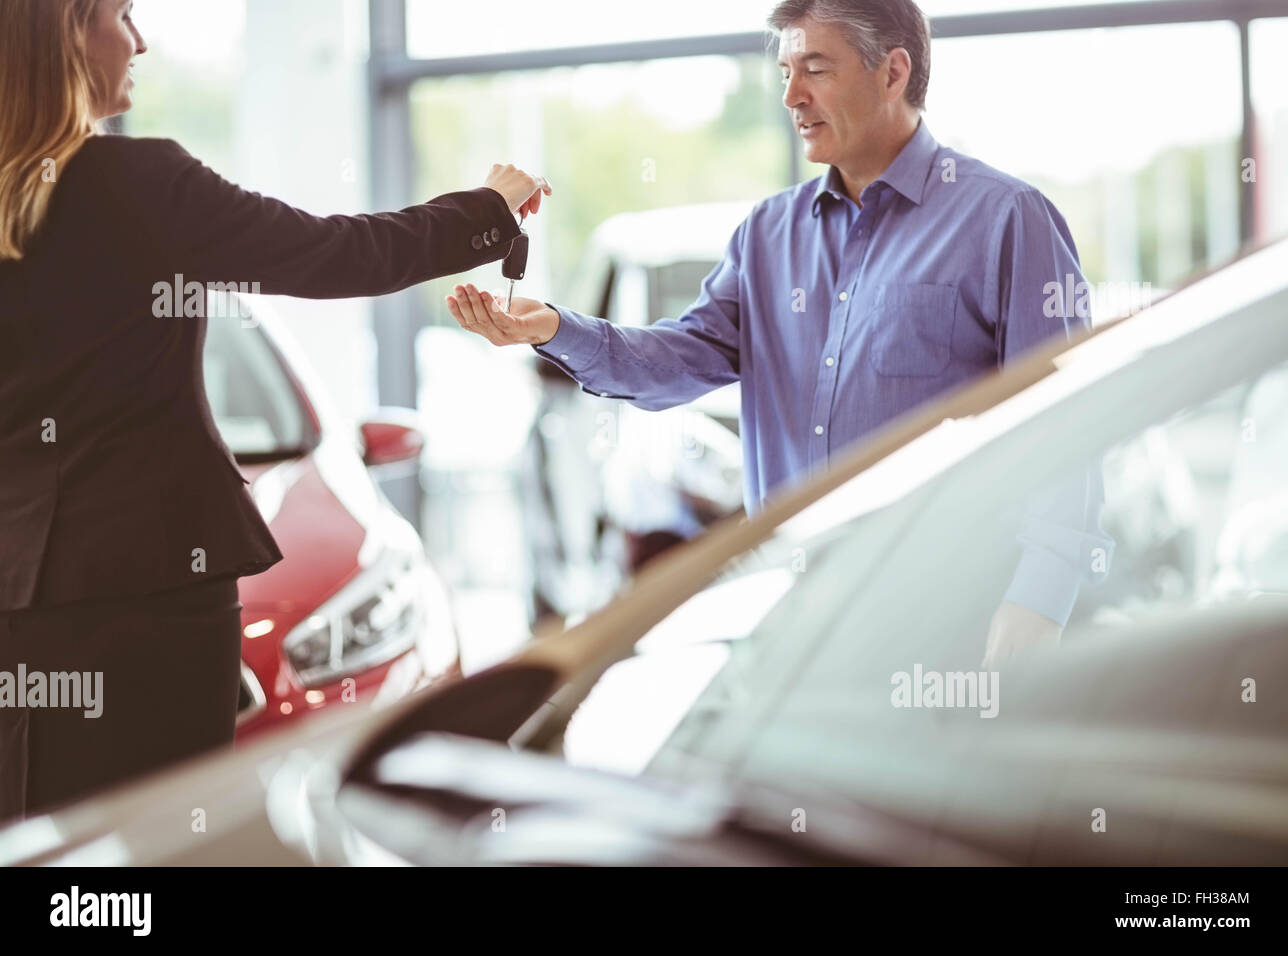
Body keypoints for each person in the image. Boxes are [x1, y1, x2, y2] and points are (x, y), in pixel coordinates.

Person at [0, 0, 550, 822]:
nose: (141, 39)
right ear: (70, 35)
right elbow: (335, 250)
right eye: (122, 15)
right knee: (164, 831)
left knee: (43, 828)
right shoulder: (136, 180)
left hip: (20, 598)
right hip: (152, 588)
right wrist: (487, 212)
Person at [447, 0, 1112, 664]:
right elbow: (675, 361)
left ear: (894, 72)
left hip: (948, 628)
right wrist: (557, 329)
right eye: (786, 71)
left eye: (816, 69)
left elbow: (1070, 427)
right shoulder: (767, 236)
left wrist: (1037, 603)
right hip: (792, 637)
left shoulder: (1007, 220)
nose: (792, 95)